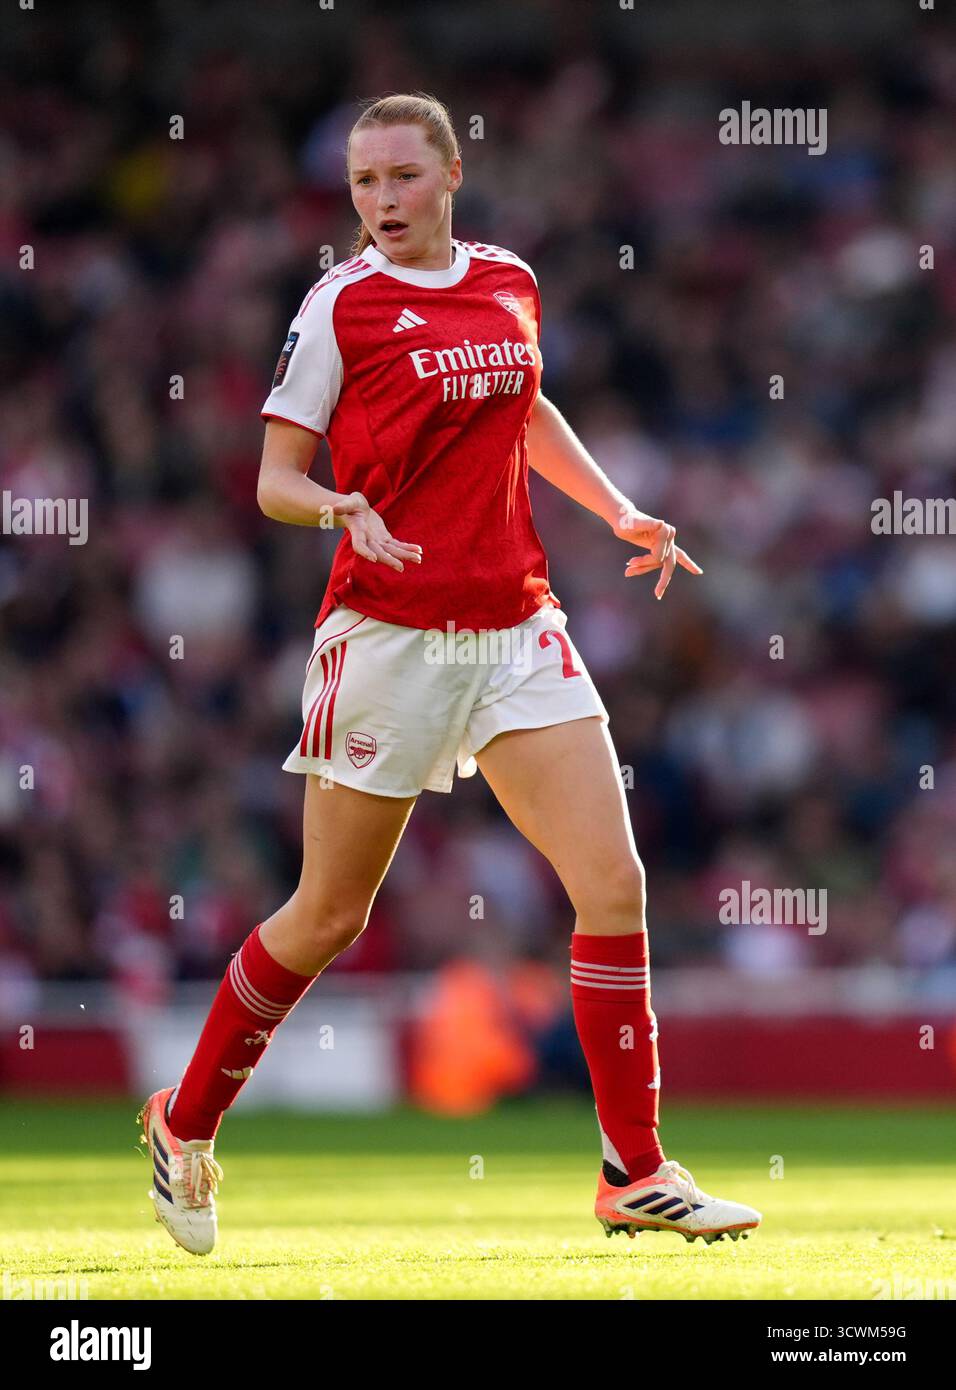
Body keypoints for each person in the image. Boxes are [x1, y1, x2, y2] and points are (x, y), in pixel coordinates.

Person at [138, 92, 760, 1255]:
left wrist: (619, 510)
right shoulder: (339, 306)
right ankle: (183, 1124)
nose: (380, 201)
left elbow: (521, 411)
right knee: (327, 913)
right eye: (365, 183)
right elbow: (276, 476)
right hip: (387, 636)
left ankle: (633, 1171)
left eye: (402, 178)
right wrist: (336, 506)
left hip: (515, 624)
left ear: (451, 175)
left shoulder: (507, 280)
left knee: (612, 885)